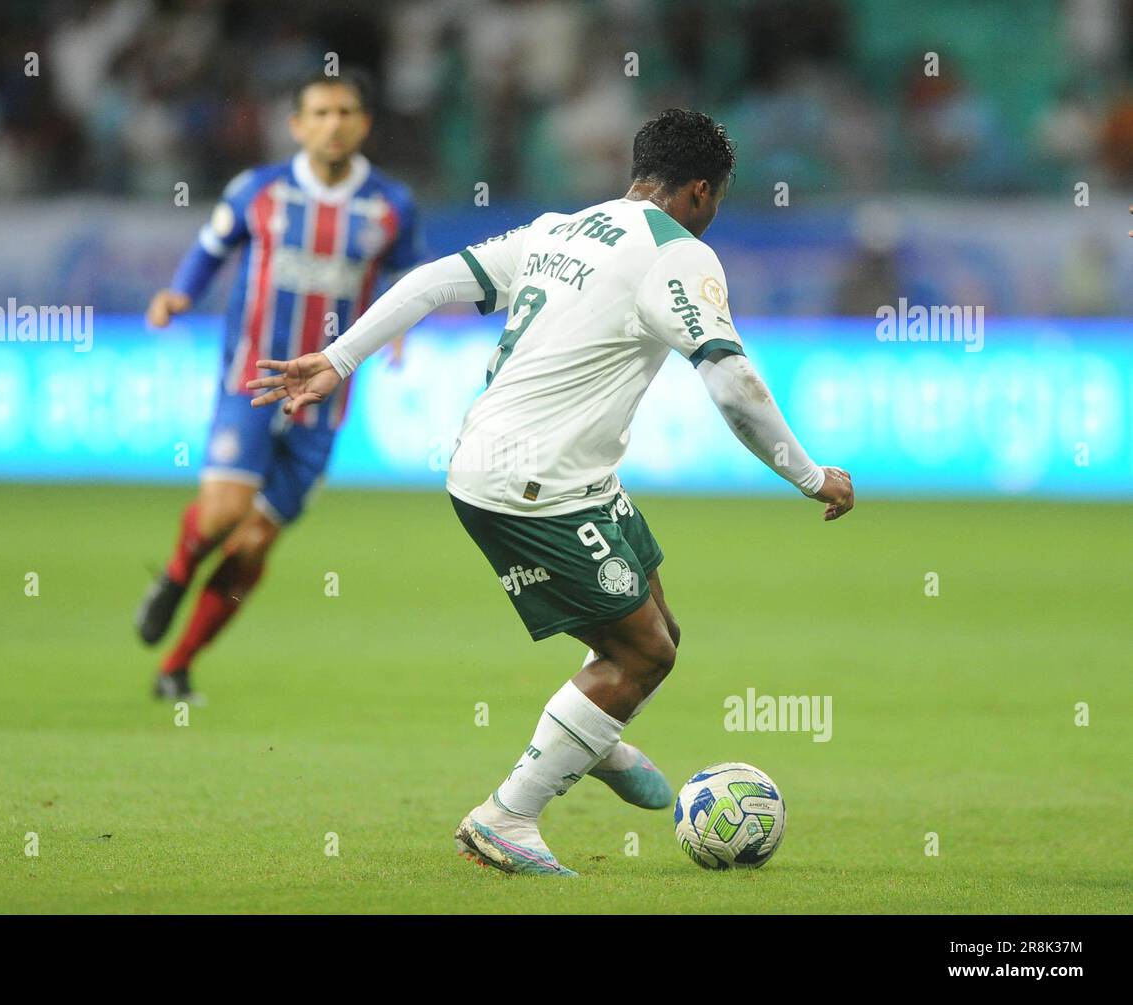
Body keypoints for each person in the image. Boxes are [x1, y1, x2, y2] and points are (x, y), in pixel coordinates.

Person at [248, 109, 853, 875]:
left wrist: (340, 356)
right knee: (640, 654)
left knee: (658, 628)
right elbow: (732, 381)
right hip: (532, 485)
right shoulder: (678, 255)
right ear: (701, 191)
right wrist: (809, 474)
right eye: (719, 198)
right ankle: (508, 814)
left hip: (547, 471)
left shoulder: (560, 229)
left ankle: (590, 736)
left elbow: (435, 280)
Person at [136, 69, 422, 701]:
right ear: (296, 125)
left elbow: (410, 279)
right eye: (320, 112)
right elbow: (211, 247)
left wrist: (400, 331)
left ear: (364, 123)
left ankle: (178, 666)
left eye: (346, 111)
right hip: (251, 379)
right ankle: (178, 573)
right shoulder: (257, 191)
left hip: (324, 396)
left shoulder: (391, 204)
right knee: (223, 516)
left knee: (255, 542)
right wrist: (180, 293)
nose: (334, 123)